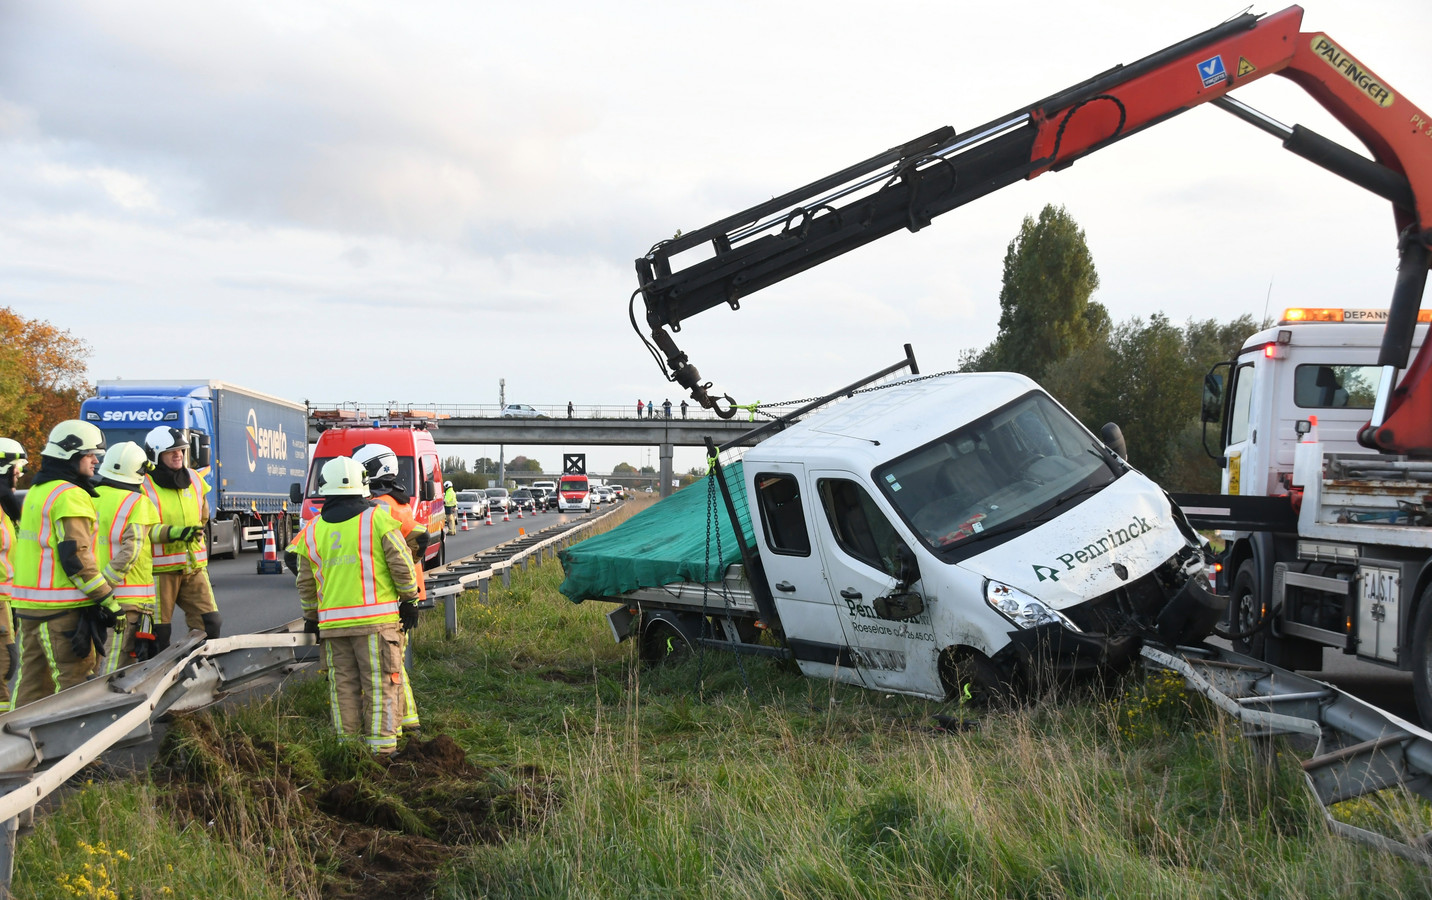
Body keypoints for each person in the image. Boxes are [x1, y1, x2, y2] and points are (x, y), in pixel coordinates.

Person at [295, 456, 421, 754]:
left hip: (333, 628)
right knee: (381, 687)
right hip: (377, 625)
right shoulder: (377, 520)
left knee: (343, 691)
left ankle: (348, 751)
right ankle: (381, 754)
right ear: (362, 485)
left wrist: (312, 618)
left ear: (325, 489)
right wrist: (410, 601)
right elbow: (402, 565)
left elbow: (305, 582)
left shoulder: (311, 531)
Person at [10, 421, 119, 706]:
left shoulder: (38, 490)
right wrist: (107, 599)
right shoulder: (70, 495)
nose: (96, 460)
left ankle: (15, 750)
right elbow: (78, 558)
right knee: (76, 689)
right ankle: (84, 752)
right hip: (62, 612)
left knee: (31, 689)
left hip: (31, 607)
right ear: (70, 456)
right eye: (89, 454)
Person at [351, 443, 427, 733]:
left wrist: (395, 573)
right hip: (403, 594)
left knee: (390, 666)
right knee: (393, 665)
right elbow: (418, 537)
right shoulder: (396, 500)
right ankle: (407, 721)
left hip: (394, 598)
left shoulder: (380, 504)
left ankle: (403, 723)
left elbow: (420, 537)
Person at [142, 425, 220, 650]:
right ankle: (157, 681)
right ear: (156, 455)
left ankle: (197, 675)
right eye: (171, 451)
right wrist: (175, 533)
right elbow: (144, 530)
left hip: (194, 567)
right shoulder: (143, 486)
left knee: (210, 624)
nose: (178, 454)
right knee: (157, 635)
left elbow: (203, 515)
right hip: (159, 572)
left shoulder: (195, 479)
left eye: (181, 450)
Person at [93, 442, 163, 674]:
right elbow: (131, 552)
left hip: (89, 595)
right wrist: (104, 587)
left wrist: (95, 589)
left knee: (95, 659)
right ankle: (109, 708)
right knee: (117, 663)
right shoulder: (137, 502)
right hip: (128, 598)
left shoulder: (89, 497)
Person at [0, 438, 27, 708]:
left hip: (8, 596)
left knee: (5, 666)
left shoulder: (5, 508)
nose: (19, 474)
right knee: (4, 663)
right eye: (17, 468)